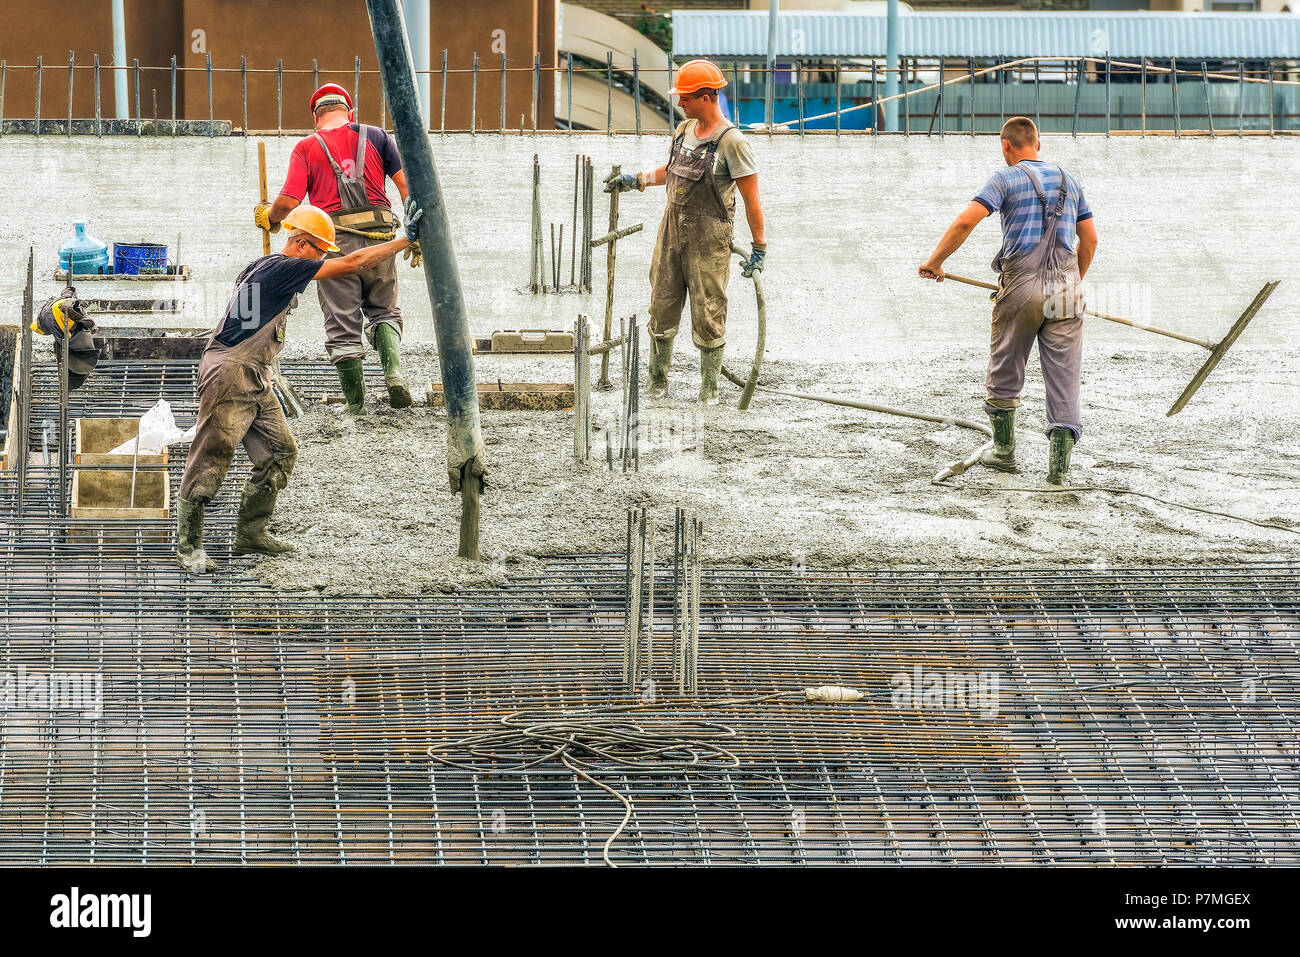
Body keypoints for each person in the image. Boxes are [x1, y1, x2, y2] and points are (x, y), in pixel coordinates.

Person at [176, 200, 422, 573]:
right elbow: (355, 263)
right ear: (303, 244)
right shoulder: (288, 266)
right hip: (229, 372)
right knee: (211, 456)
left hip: (255, 372)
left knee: (280, 452)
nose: (320, 261)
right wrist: (405, 239)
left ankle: (250, 534)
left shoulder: (263, 267)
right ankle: (188, 545)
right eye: (320, 252)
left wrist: (265, 368)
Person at [918, 116, 1098, 485]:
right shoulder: (1070, 179)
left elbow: (967, 220)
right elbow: (1090, 240)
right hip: (1067, 287)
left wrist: (936, 261)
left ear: (1005, 145)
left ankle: (1002, 453)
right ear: (1038, 144)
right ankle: (1058, 474)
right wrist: (1072, 283)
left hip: (1021, 286)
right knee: (1065, 378)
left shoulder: (1004, 178)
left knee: (1006, 367)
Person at [604, 58, 766, 405]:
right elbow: (673, 169)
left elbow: (752, 200)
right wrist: (638, 180)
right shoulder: (683, 130)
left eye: (686, 97)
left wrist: (759, 248)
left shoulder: (732, 143)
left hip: (709, 241)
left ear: (706, 97)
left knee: (708, 313)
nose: (680, 103)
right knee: (661, 307)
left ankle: (709, 391)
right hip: (671, 234)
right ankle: (657, 383)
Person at [255, 83, 419, 414]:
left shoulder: (307, 147)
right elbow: (407, 188)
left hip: (335, 242)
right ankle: (394, 374)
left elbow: (288, 202)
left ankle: (356, 406)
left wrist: (268, 218)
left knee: (342, 322)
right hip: (381, 237)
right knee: (384, 309)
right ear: (349, 112)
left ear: (316, 116)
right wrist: (415, 234)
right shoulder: (377, 136)